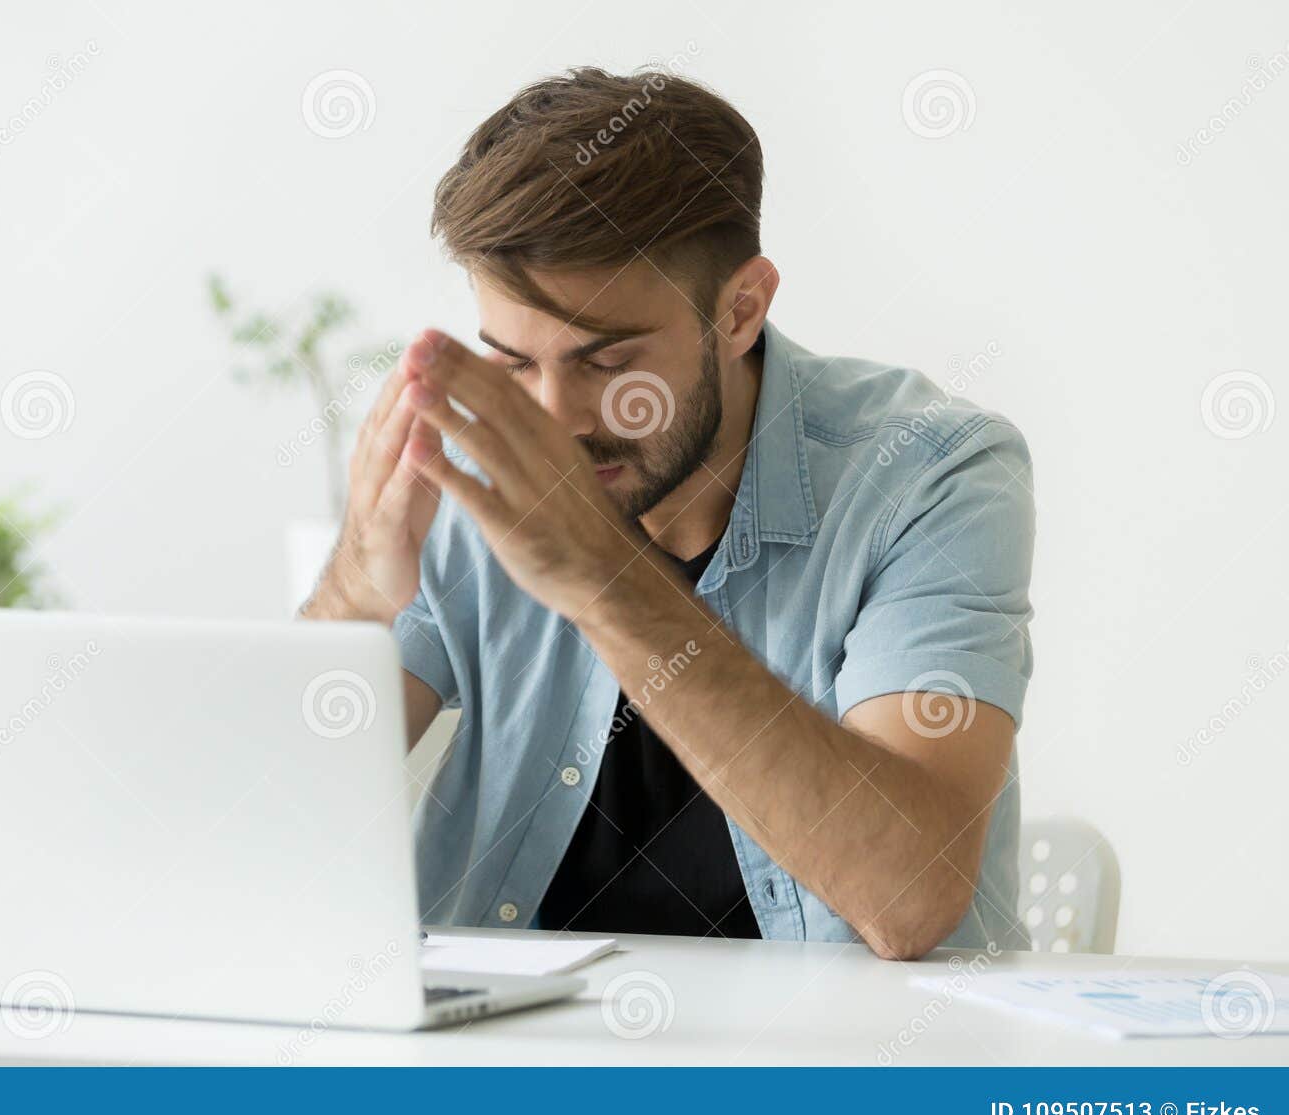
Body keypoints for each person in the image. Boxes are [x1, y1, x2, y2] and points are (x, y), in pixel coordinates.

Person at [302, 67, 1033, 959]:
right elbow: (258, 840)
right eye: (513, 362)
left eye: (607, 364)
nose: (553, 417)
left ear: (741, 310)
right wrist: (356, 596)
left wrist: (604, 581)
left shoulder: (930, 476)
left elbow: (910, 898)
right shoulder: (473, 461)